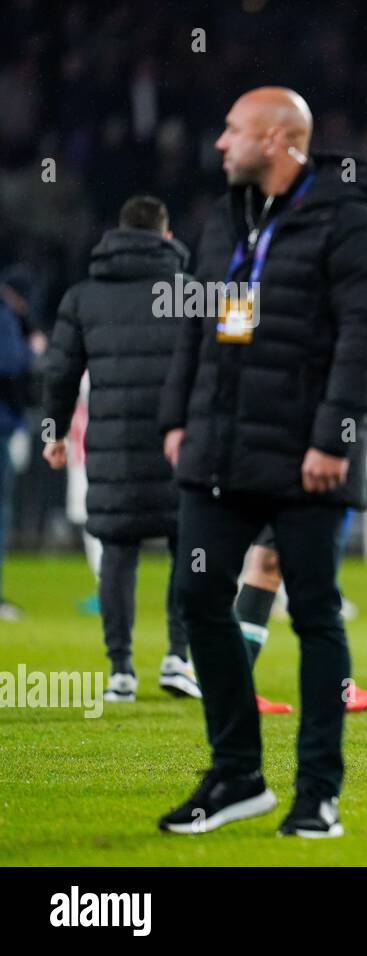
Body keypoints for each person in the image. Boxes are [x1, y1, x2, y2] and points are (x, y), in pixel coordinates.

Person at [156, 87, 367, 836]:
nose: (221, 144)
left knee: (317, 616)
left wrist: (334, 438)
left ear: (277, 139)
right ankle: (237, 776)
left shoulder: (350, 223)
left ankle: (317, 793)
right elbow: (200, 324)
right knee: (198, 602)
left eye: (233, 130)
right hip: (221, 452)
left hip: (305, 460)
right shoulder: (226, 220)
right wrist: (175, 419)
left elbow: (366, 337)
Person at [42, 195, 201, 702]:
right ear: (167, 237)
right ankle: (179, 657)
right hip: (182, 442)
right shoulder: (189, 294)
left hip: (113, 448)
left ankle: (120, 670)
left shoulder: (83, 297)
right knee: (189, 549)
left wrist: (55, 433)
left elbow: (60, 375)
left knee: (117, 551)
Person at [235, 517, 367, 715]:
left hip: (296, 490)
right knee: (278, 560)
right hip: (294, 490)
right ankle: (236, 691)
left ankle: (234, 690)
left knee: (274, 559)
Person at [0, 265, 40, 621]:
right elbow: (11, 363)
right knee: (1, 509)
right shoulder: (5, 317)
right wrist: (33, 352)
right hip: (1, 425)